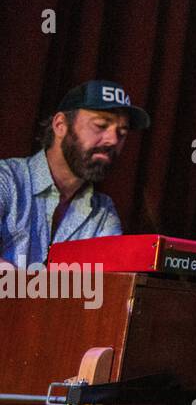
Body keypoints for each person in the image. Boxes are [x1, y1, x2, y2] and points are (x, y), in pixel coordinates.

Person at [0, 80, 150, 270]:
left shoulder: (103, 212)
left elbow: (113, 286)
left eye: (122, 132)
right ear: (60, 125)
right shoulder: (6, 180)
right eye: (101, 125)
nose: (113, 140)